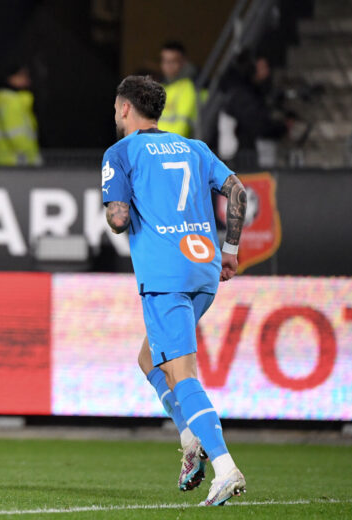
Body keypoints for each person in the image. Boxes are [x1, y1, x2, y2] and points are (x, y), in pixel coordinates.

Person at [101, 76, 248, 506]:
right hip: (204, 271)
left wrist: (116, 212)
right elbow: (237, 191)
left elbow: (119, 218)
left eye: (115, 107)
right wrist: (231, 250)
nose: (115, 114)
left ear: (125, 108)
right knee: (149, 359)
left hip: (165, 276)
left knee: (183, 375)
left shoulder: (120, 153)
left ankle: (224, 467)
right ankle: (190, 439)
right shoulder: (195, 148)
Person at [0, 63, 43, 167]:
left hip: (11, 162)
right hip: (14, 163)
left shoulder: (13, 100)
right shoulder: (10, 101)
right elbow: (16, 134)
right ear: (11, 77)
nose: (27, 80)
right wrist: (33, 157)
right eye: (22, 75)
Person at [158, 41, 197, 138]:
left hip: (175, 148)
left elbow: (182, 126)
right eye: (165, 61)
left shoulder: (188, 88)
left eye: (173, 61)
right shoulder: (161, 87)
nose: (168, 66)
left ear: (183, 62)